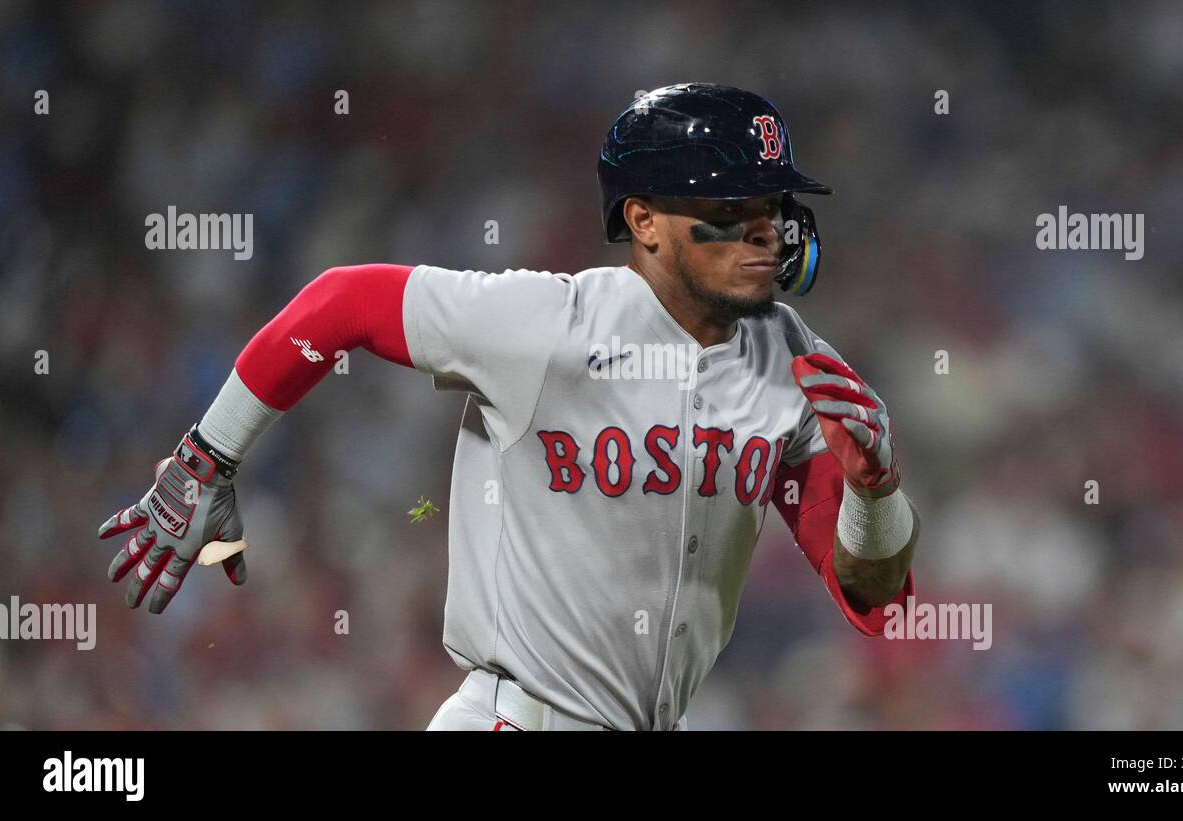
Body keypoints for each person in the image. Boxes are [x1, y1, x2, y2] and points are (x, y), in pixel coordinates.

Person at [97, 82, 918, 731]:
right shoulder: (547, 323)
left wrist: (874, 493)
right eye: (727, 208)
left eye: (770, 206)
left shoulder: (799, 368)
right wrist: (209, 455)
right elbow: (343, 301)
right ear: (644, 221)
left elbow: (876, 600)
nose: (762, 233)